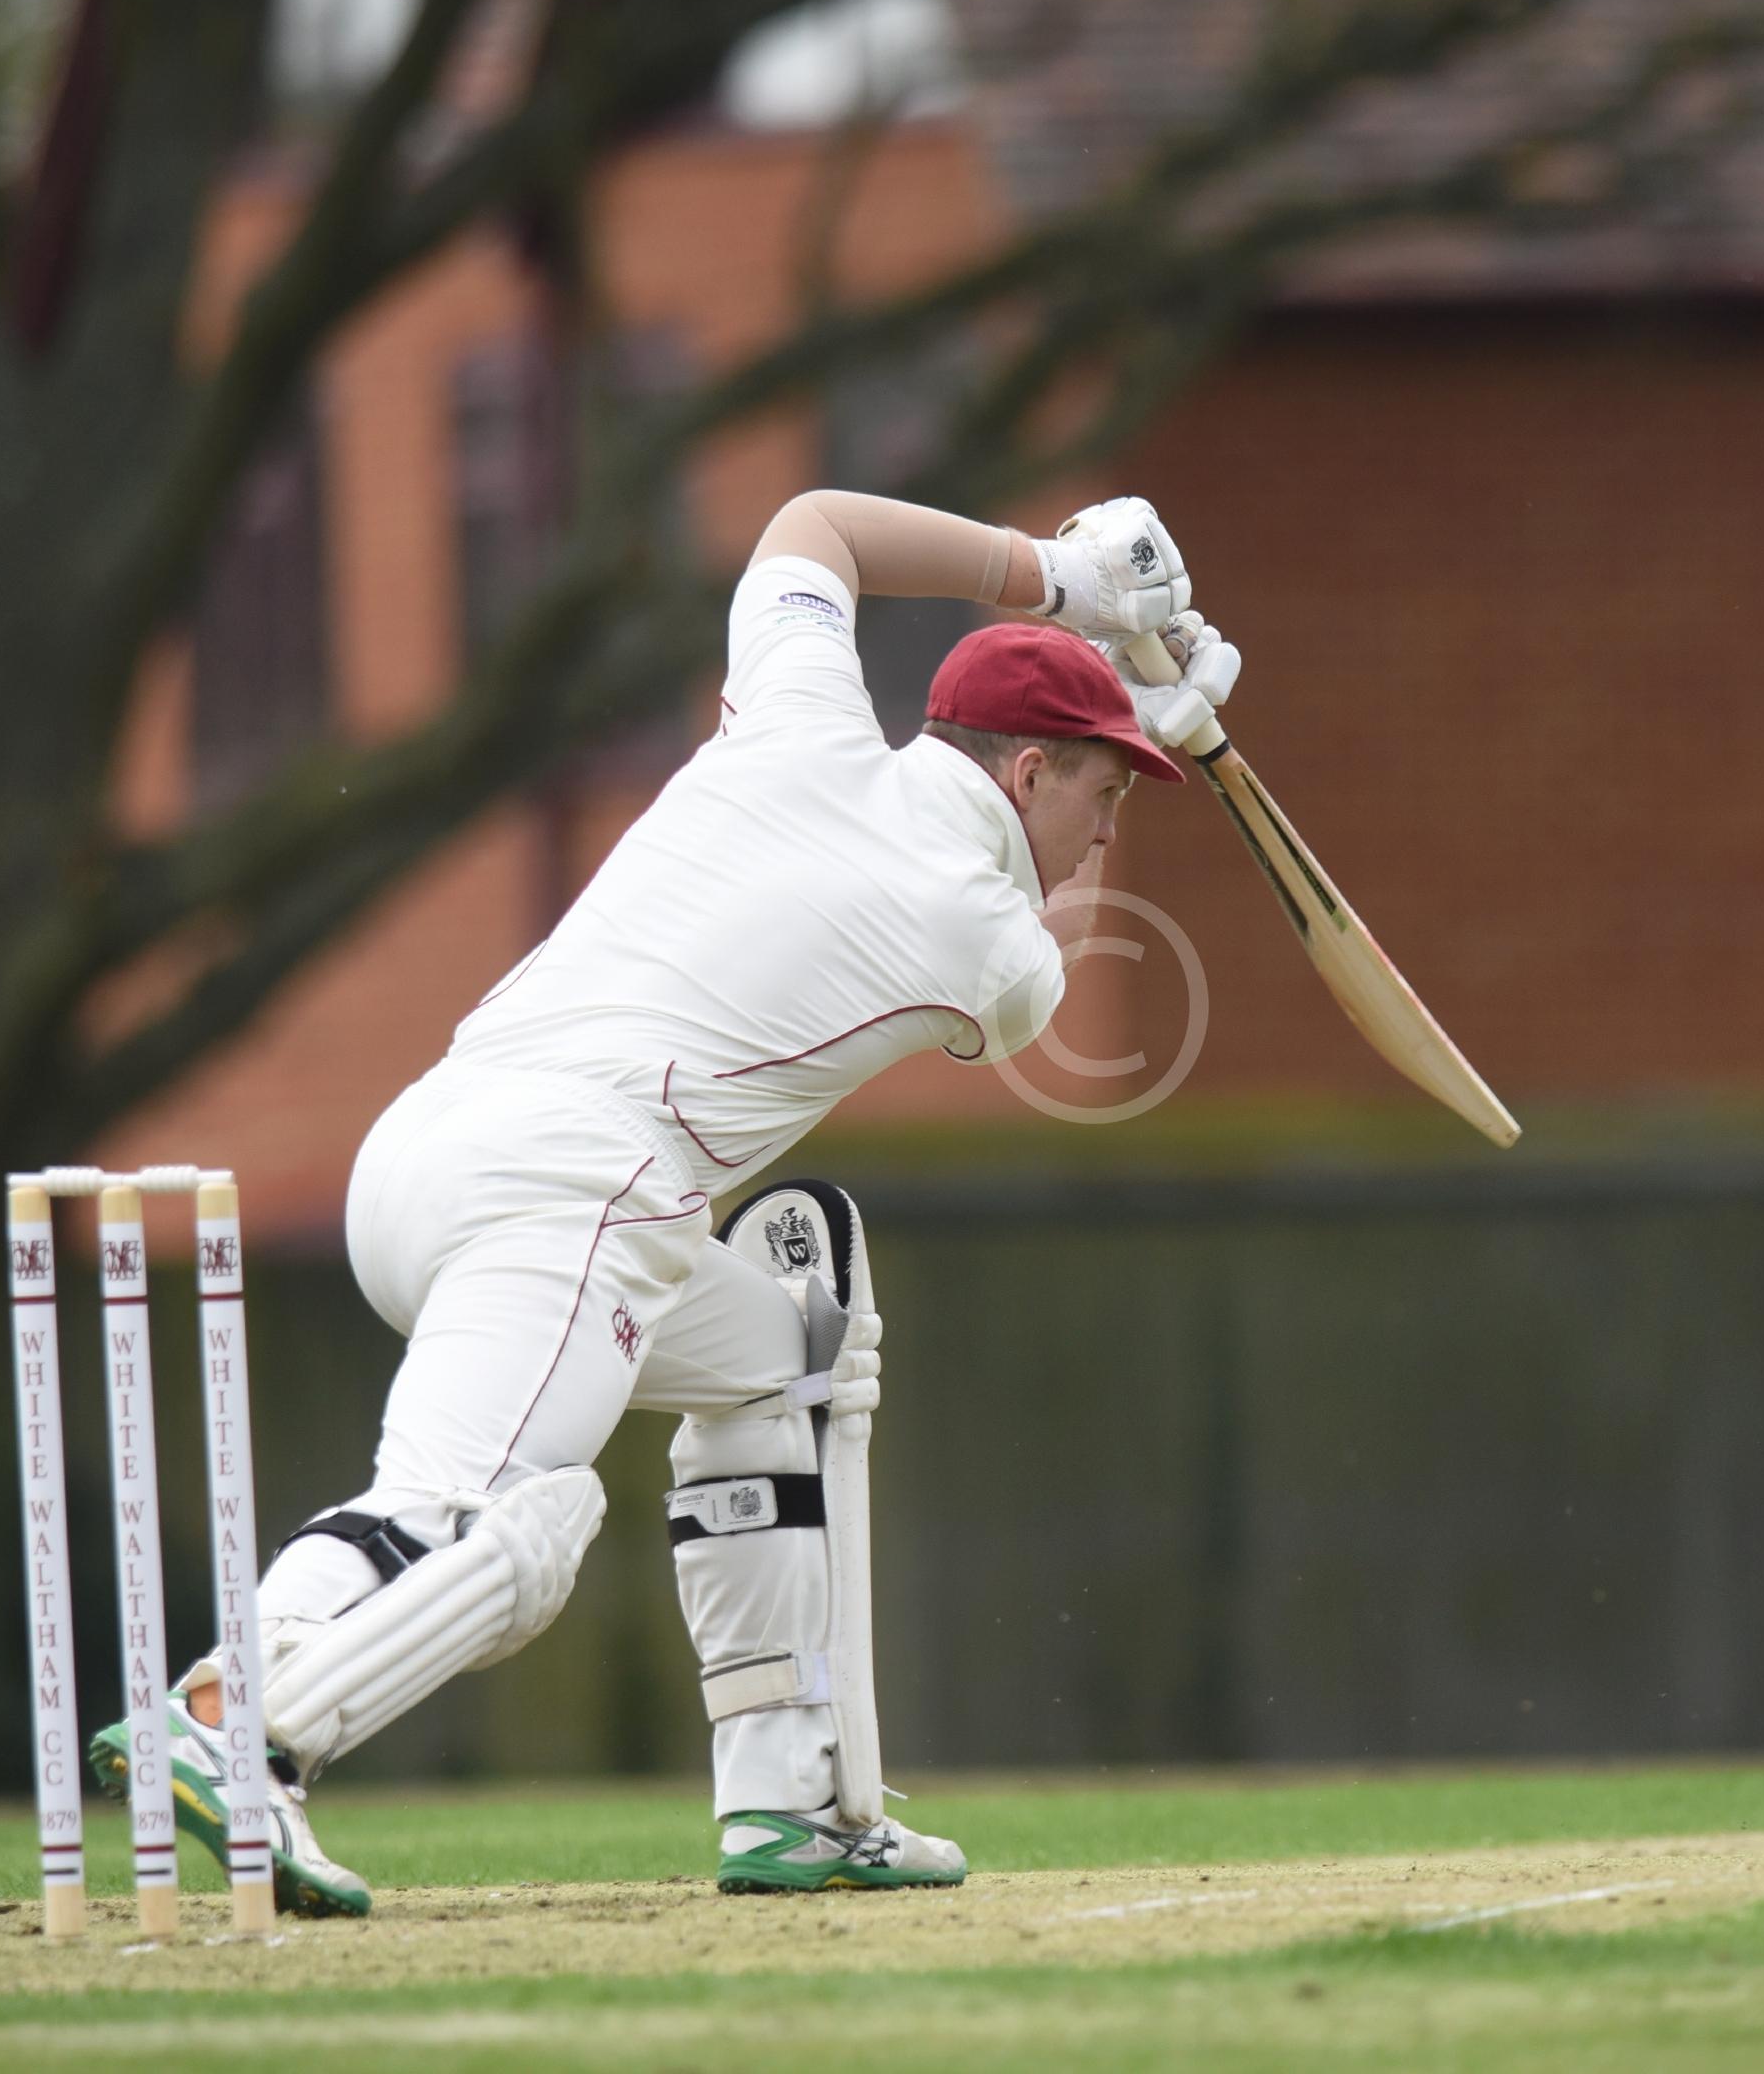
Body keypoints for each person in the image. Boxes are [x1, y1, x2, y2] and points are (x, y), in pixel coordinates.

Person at [90, 490, 1238, 1913]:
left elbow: (818, 528)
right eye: (1106, 791)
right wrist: (1166, 699)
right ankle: (232, 1715)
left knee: (779, 1353)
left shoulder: (799, 714)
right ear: (1024, 774)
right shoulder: (990, 942)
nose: (1109, 835)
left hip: (428, 1147)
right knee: (492, 1532)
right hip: (579, 1193)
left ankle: (790, 1806)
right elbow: (1026, 995)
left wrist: (1049, 581)